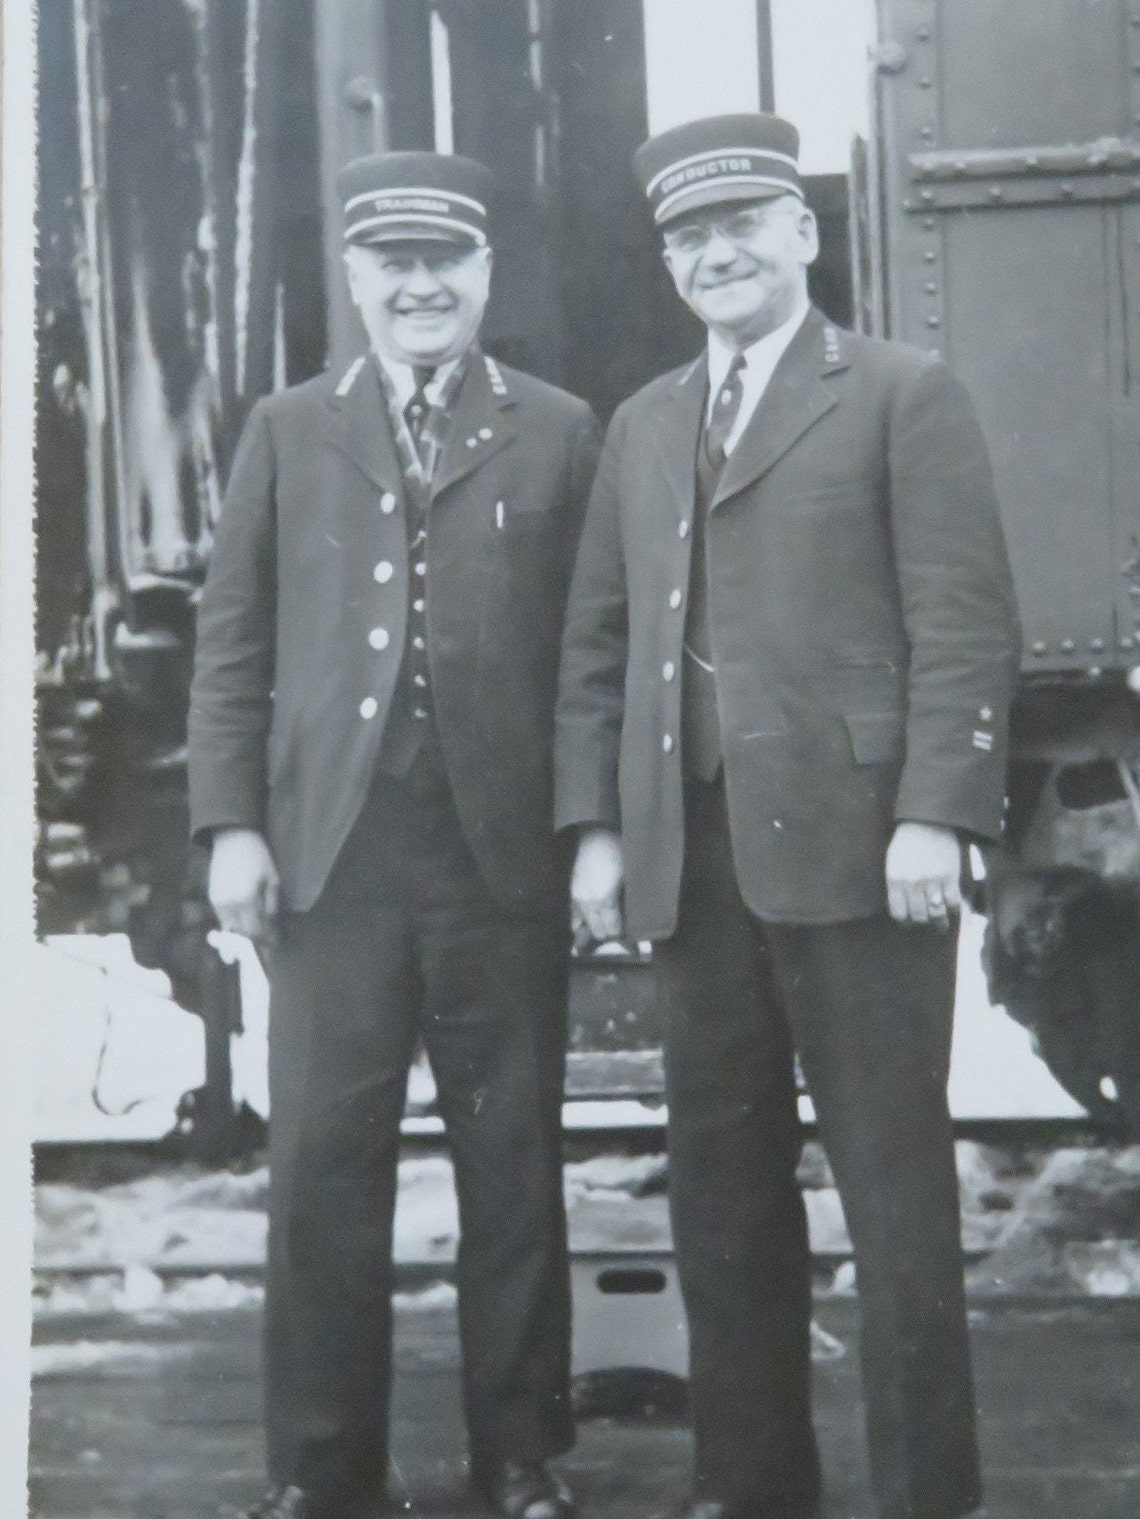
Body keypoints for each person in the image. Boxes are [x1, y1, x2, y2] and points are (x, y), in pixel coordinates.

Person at [554, 113, 1020, 1519]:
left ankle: (927, 1497)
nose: (716, 254)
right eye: (688, 238)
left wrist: (935, 813)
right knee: (722, 1202)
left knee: (896, 1208)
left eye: (742, 224)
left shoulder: (899, 391)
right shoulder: (641, 423)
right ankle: (752, 1489)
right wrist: (596, 830)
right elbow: (598, 641)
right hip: (695, 873)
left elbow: (963, 624)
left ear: (802, 234)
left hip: (867, 861)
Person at [188, 150, 600, 1519]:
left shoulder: (557, 427)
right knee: (318, 1167)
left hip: (500, 860)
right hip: (335, 862)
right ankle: (322, 1469)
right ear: (356, 281)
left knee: (515, 1160)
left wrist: (586, 829)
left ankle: (522, 1459)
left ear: (482, 276)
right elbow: (232, 646)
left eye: (446, 263)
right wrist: (231, 826)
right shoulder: (289, 428)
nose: (421, 287)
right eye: (394, 265)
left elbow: (591, 655)